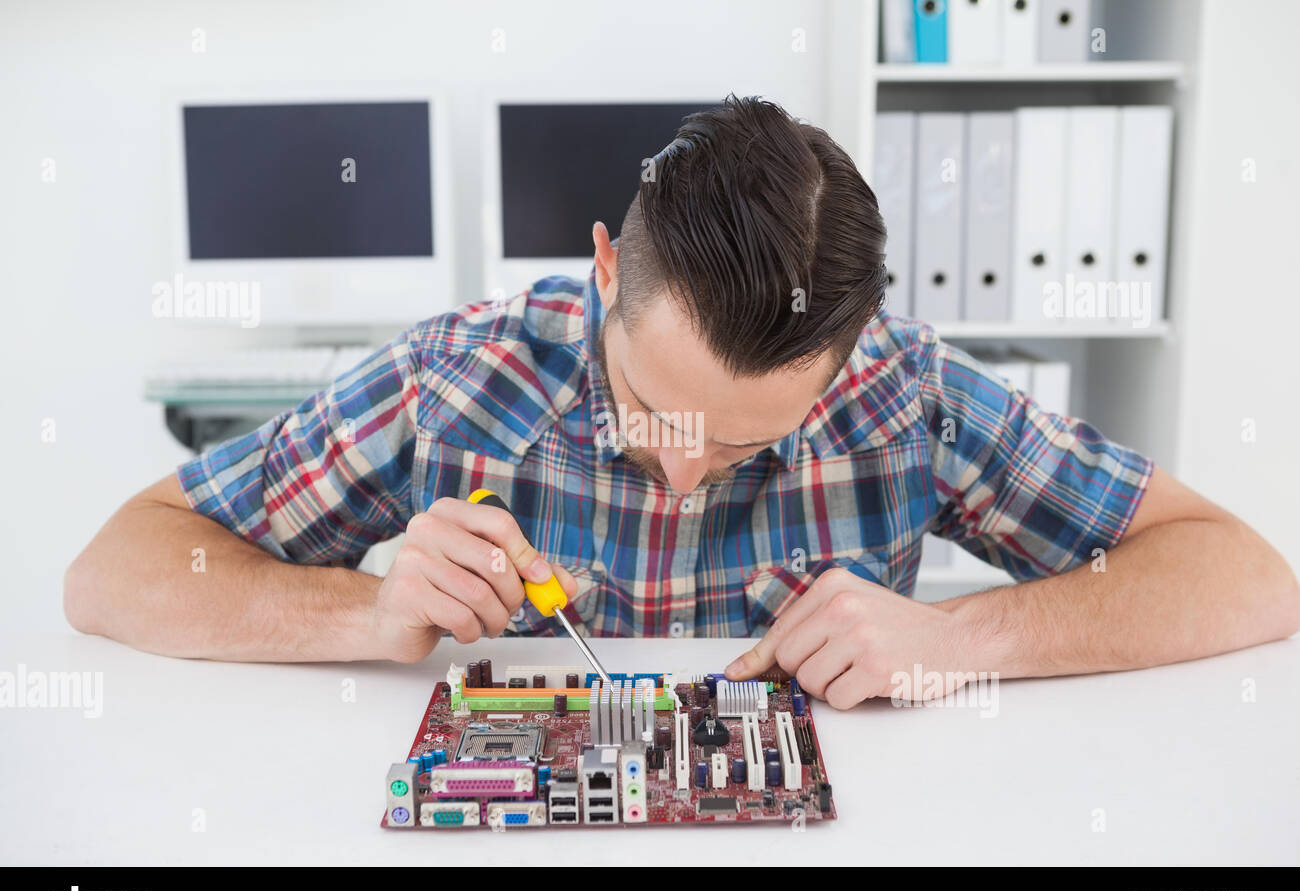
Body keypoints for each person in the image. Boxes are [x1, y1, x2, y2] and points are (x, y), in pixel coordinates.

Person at [65, 95, 1300, 708]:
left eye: (753, 437)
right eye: (655, 408)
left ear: (852, 350)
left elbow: (1243, 573)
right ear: (604, 267)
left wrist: (958, 638)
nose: (686, 472)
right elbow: (114, 568)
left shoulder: (905, 390)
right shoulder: (462, 378)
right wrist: (364, 612)